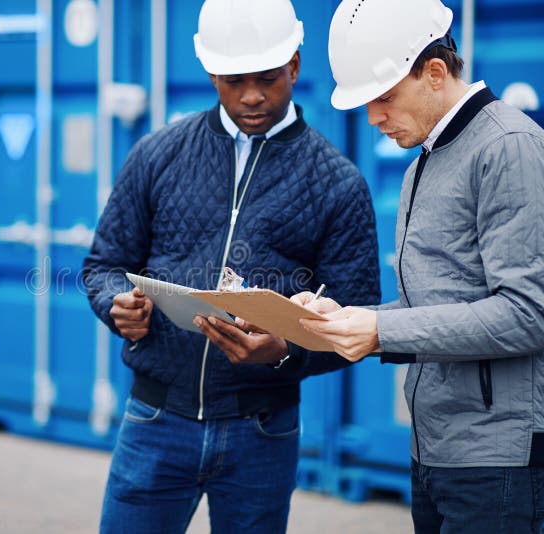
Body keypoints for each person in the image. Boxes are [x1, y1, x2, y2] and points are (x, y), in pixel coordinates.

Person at [82, 0, 380, 532]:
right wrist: (115, 305)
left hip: (261, 433)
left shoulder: (338, 184)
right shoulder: (157, 154)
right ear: (210, 72)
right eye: (233, 79)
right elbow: (104, 264)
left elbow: (356, 321)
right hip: (154, 421)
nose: (251, 96)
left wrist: (283, 354)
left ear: (294, 63)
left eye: (267, 78)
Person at [294, 0, 544, 532]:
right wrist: (349, 317)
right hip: (442, 446)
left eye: (383, 97)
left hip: (502, 453)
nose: (372, 117)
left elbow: (531, 313)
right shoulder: (428, 159)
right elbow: (441, 306)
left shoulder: (510, 149)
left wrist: (379, 332)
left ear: (435, 72)